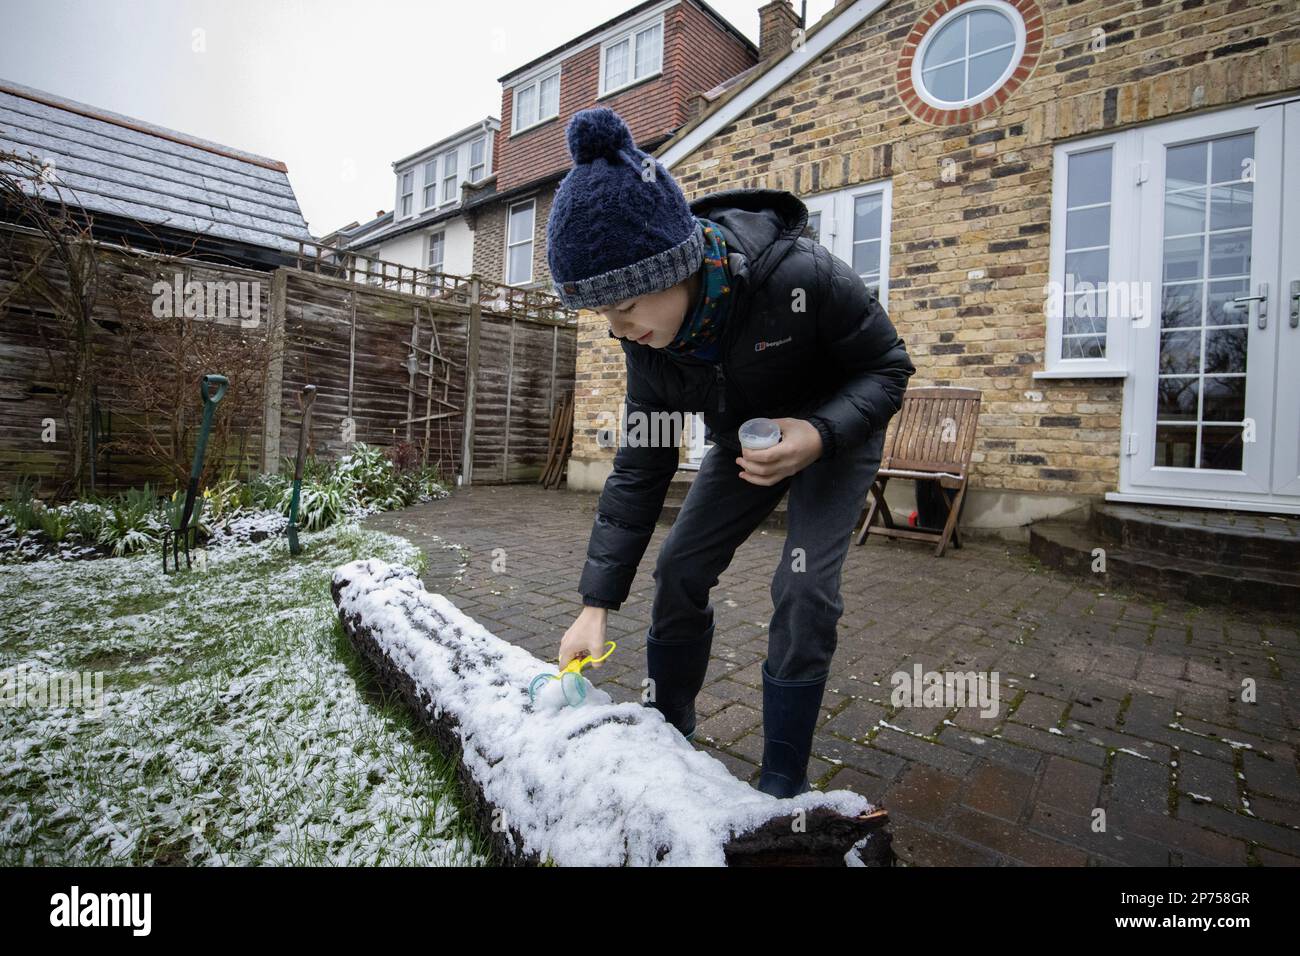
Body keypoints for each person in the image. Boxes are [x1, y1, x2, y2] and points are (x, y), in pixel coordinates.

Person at [548, 107, 914, 798]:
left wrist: (820, 433)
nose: (617, 328)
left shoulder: (796, 273)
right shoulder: (646, 346)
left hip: (839, 435)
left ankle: (781, 782)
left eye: (623, 306)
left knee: (803, 589)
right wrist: (595, 604)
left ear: (675, 265)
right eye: (601, 314)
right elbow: (640, 468)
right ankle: (671, 726)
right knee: (680, 567)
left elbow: (889, 368)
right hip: (747, 444)